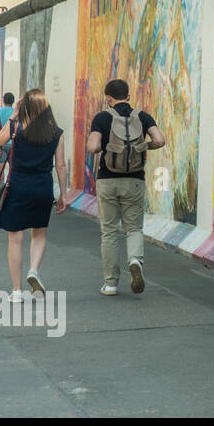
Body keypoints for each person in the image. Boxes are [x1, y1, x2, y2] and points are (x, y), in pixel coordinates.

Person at [86, 79, 165, 295]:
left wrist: (108, 147)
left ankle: (111, 284)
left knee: (109, 232)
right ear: (128, 97)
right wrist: (140, 147)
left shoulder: (102, 117)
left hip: (107, 180)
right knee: (134, 228)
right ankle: (135, 261)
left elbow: (93, 146)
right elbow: (160, 140)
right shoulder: (142, 116)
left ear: (108, 99)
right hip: (134, 180)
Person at [0, 89, 70, 299]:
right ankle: (33, 271)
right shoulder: (57, 132)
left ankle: (17, 291)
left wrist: (13, 114)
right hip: (43, 187)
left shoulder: (16, 127)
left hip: (17, 186)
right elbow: (61, 165)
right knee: (39, 234)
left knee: (15, 239)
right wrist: (63, 194)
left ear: (24, 106)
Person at [0, 92, 15, 170]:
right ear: (13, 101)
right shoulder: (15, 113)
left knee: (0, 170)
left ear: (3, 100)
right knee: (12, 169)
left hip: (0, 143)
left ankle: (0, 182)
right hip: (13, 143)